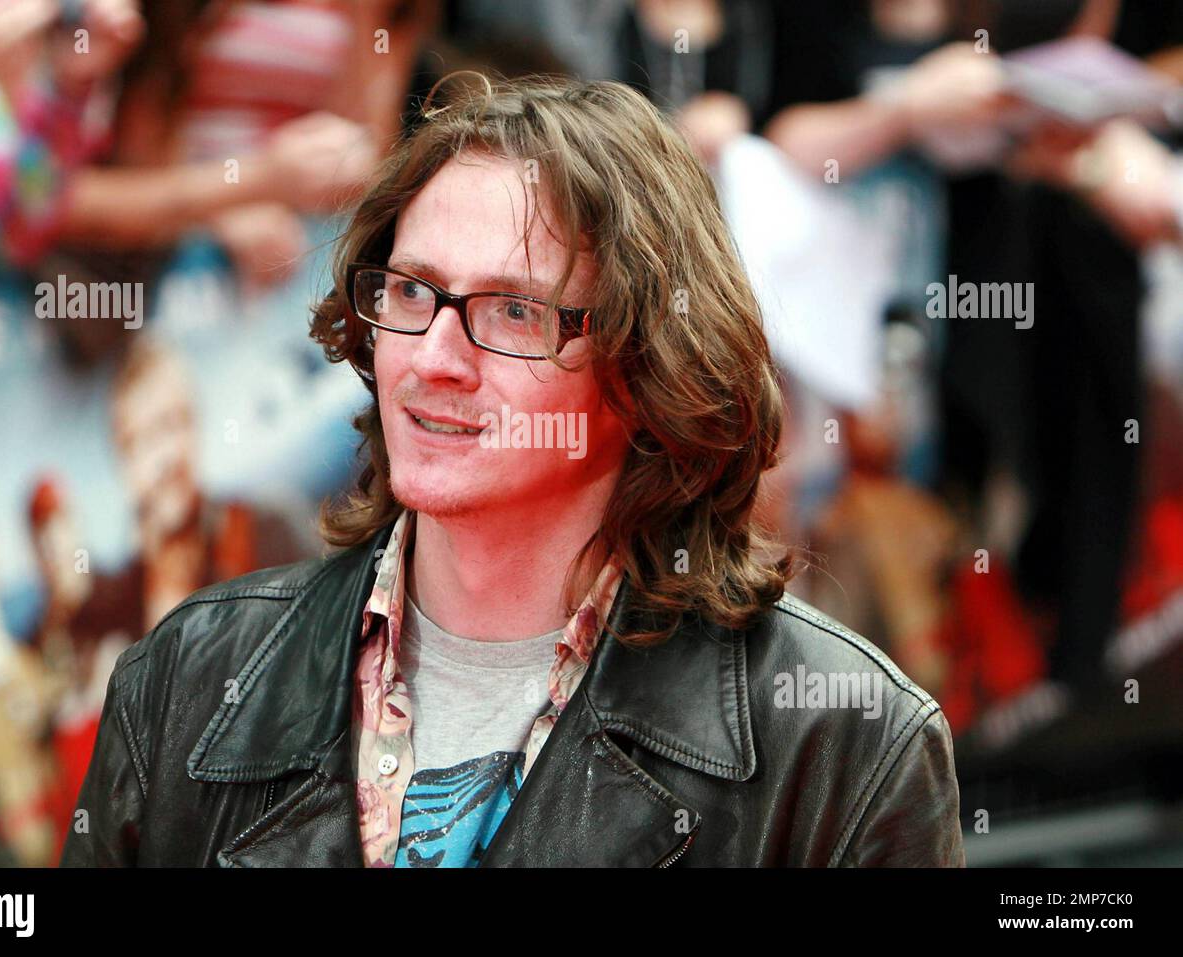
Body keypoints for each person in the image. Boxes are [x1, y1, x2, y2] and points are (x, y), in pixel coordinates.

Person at [61, 73, 966, 868]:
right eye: (412, 291)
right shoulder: (185, 677)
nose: (435, 357)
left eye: (512, 312)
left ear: (649, 363)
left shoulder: (842, 740)